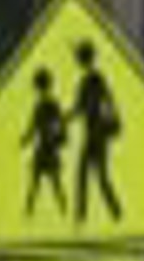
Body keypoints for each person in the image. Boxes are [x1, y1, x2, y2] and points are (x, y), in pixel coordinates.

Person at [73, 39, 124, 224]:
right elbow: (79, 107)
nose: (77, 59)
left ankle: (114, 212)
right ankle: (87, 215)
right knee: (90, 175)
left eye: (79, 56)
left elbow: (105, 100)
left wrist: (113, 120)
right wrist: (65, 118)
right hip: (93, 133)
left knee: (96, 176)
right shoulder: (86, 80)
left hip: (98, 133)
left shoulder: (94, 79)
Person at [22, 67, 69, 217]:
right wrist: (26, 139)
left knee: (55, 183)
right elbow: (33, 126)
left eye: (40, 86)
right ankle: (28, 212)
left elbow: (60, 125)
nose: (39, 90)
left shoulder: (52, 105)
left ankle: (64, 211)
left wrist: (54, 137)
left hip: (49, 149)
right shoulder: (39, 106)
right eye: (39, 87)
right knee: (35, 182)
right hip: (42, 148)